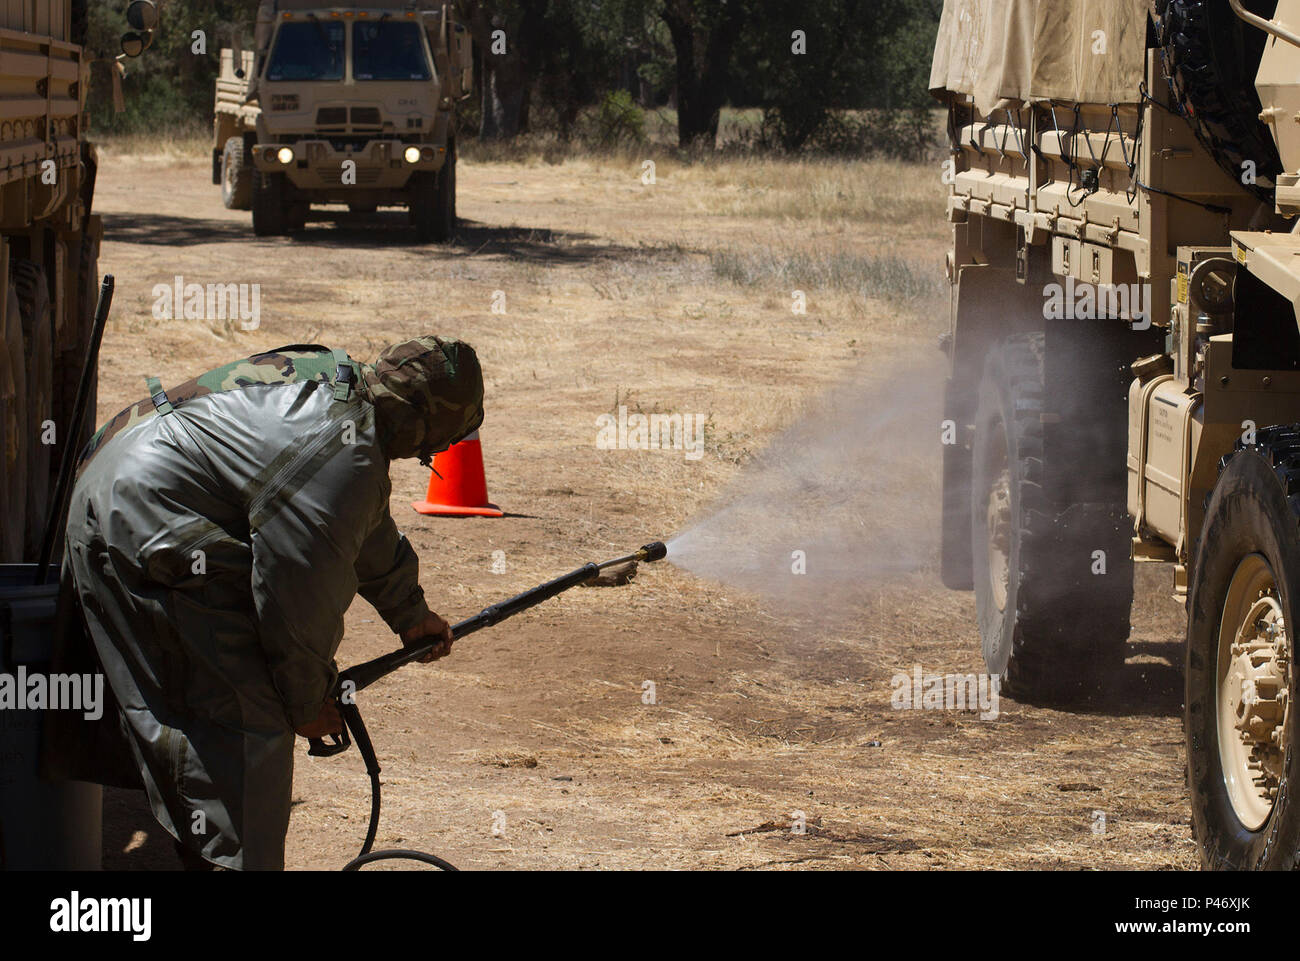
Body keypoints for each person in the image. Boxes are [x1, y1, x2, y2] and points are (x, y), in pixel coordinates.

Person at [61, 336, 483, 870]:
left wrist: (410, 614)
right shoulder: (344, 451)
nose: (445, 450)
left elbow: (360, 523)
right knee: (246, 720)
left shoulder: (344, 395)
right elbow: (297, 603)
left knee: (219, 713)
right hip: (146, 518)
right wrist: (308, 704)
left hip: (125, 486)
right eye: (450, 436)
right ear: (426, 421)